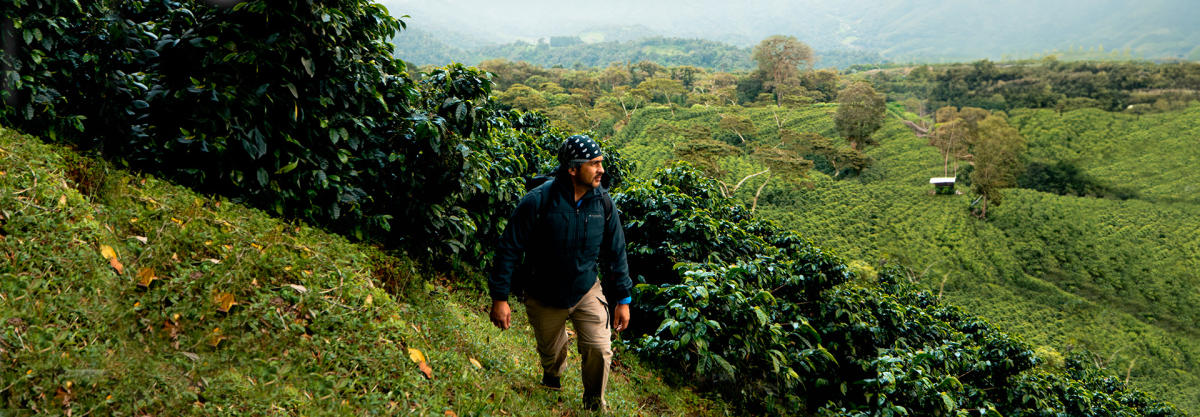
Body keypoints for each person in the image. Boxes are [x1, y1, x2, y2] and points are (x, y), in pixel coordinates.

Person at [488, 135, 633, 411]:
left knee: (600, 348)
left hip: (585, 288)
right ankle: (552, 377)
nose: (601, 170)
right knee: (551, 351)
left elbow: (616, 251)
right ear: (573, 169)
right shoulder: (538, 201)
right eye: (594, 164)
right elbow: (509, 247)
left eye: (601, 162)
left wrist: (623, 300)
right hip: (544, 292)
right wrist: (500, 298)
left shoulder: (603, 203)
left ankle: (594, 404)